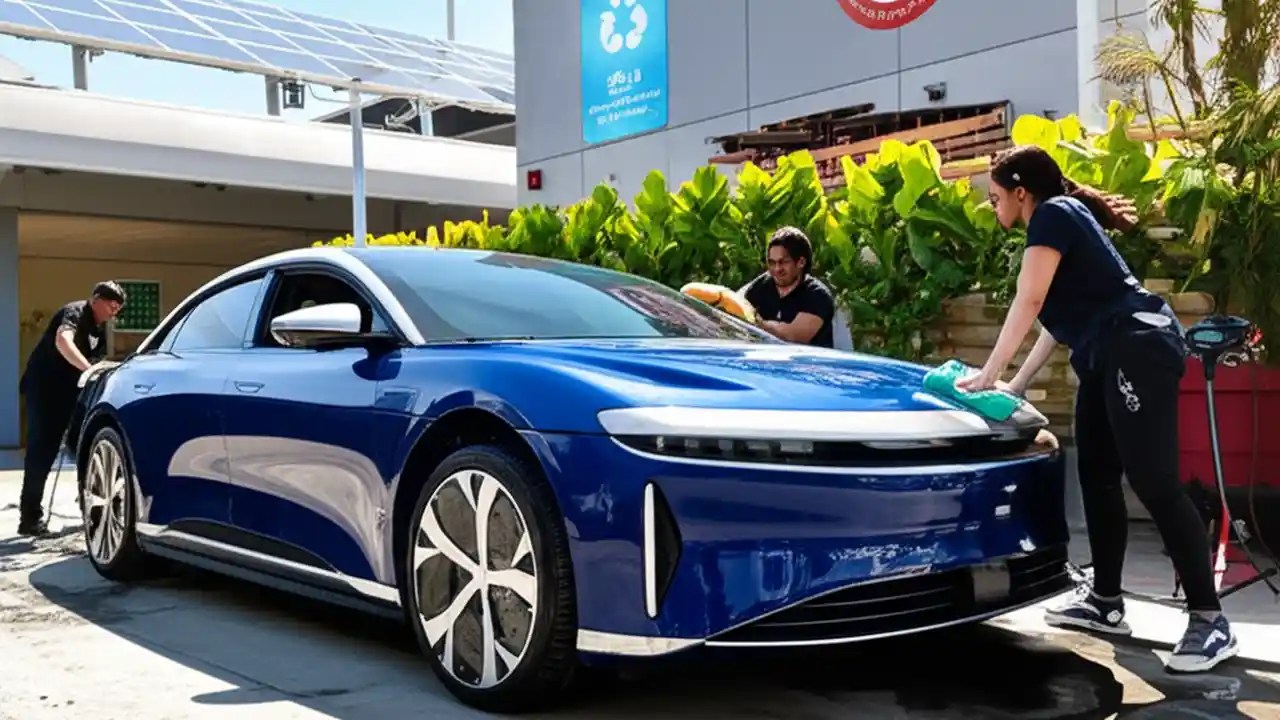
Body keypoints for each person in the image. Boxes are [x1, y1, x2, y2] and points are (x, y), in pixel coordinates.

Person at [955, 145, 1235, 674]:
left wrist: (989, 373)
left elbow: (1029, 299)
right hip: (1102, 355)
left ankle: (1209, 619)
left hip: (1137, 348)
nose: (993, 209)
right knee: (1098, 476)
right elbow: (1054, 321)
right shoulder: (1060, 223)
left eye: (995, 198)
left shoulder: (1055, 214)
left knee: (1154, 483)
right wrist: (1014, 383)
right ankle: (1105, 603)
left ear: (1021, 192)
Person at [17, 281, 126, 537]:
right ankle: (29, 517)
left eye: (117, 308)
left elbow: (93, 360)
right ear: (96, 299)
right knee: (42, 451)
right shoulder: (75, 312)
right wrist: (88, 369)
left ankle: (91, 504)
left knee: (84, 446)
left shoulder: (98, 330)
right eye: (111, 306)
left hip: (70, 394)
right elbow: (62, 341)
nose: (114, 312)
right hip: (44, 390)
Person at [740, 226, 836, 347]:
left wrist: (757, 323)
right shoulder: (760, 287)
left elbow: (793, 336)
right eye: (772, 262)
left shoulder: (817, 295)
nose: (777, 269)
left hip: (808, 364)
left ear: (801, 262)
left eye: (784, 262)